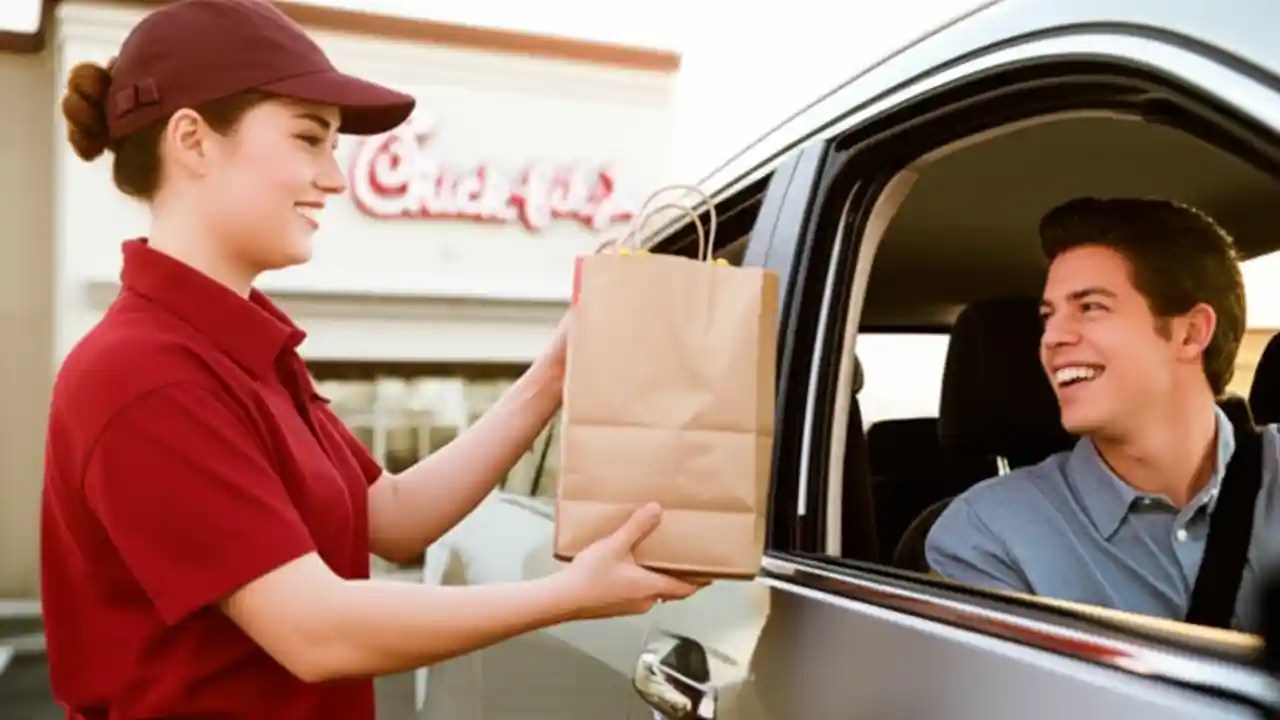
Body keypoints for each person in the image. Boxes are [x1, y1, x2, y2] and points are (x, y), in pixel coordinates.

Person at [40, 1, 704, 718]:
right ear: (194, 141)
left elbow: (391, 515)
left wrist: (551, 377)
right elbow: (313, 631)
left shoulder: (246, 351)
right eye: (308, 138)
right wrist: (568, 596)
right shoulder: (144, 375)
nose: (335, 177)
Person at [925, 196, 1280, 634]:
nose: (1052, 337)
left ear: (1189, 333)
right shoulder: (988, 534)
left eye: (1090, 306)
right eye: (1047, 316)